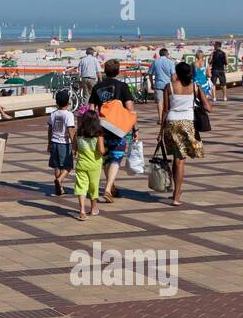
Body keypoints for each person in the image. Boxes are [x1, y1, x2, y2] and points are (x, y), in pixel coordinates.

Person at [89, 59, 138, 203]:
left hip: (102, 127)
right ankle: (109, 188)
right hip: (119, 127)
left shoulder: (97, 86)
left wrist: (91, 128)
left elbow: (91, 109)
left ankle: (112, 187)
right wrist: (135, 128)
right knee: (116, 158)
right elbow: (130, 109)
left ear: (104, 71)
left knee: (105, 157)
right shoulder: (122, 86)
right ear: (118, 71)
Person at [160, 62, 207, 206]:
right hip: (188, 123)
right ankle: (176, 196)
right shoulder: (195, 86)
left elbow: (165, 110)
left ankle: (176, 191)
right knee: (180, 160)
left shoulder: (169, 86)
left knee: (176, 158)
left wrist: (160, 131)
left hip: (172, 123)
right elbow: (208, 107)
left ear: (177, 73)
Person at [73, 111, 105, 221]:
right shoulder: (98, 134)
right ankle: (93, 208)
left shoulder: (78, 133)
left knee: (81, 186)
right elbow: (101, 150)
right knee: (93, 186)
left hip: (81, 164)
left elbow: (74, 149)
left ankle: (82, 211)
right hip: (94, 165)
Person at [49, 90, 76, 196]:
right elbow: (70, 130)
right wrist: (74, 144)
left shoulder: (53, 114)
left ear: (56, 102)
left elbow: (49, 129)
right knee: (68, 165)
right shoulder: (69, 115)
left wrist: (49, 142)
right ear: (68, 102)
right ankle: (59, 180)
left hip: (54, 142)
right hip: (65, 143)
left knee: (57, 166)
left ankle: (59, 188)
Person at [148, 48, 176, 121]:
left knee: (160, 102)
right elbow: (173, 74)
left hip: (158, 84)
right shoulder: (170, 62)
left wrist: (151, 83)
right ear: (166, 54)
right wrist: (174, 84)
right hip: (168, 84)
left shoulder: (155, 62)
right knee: (169, 102)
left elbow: (150, 74)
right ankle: (169, 118)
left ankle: (160, 118)